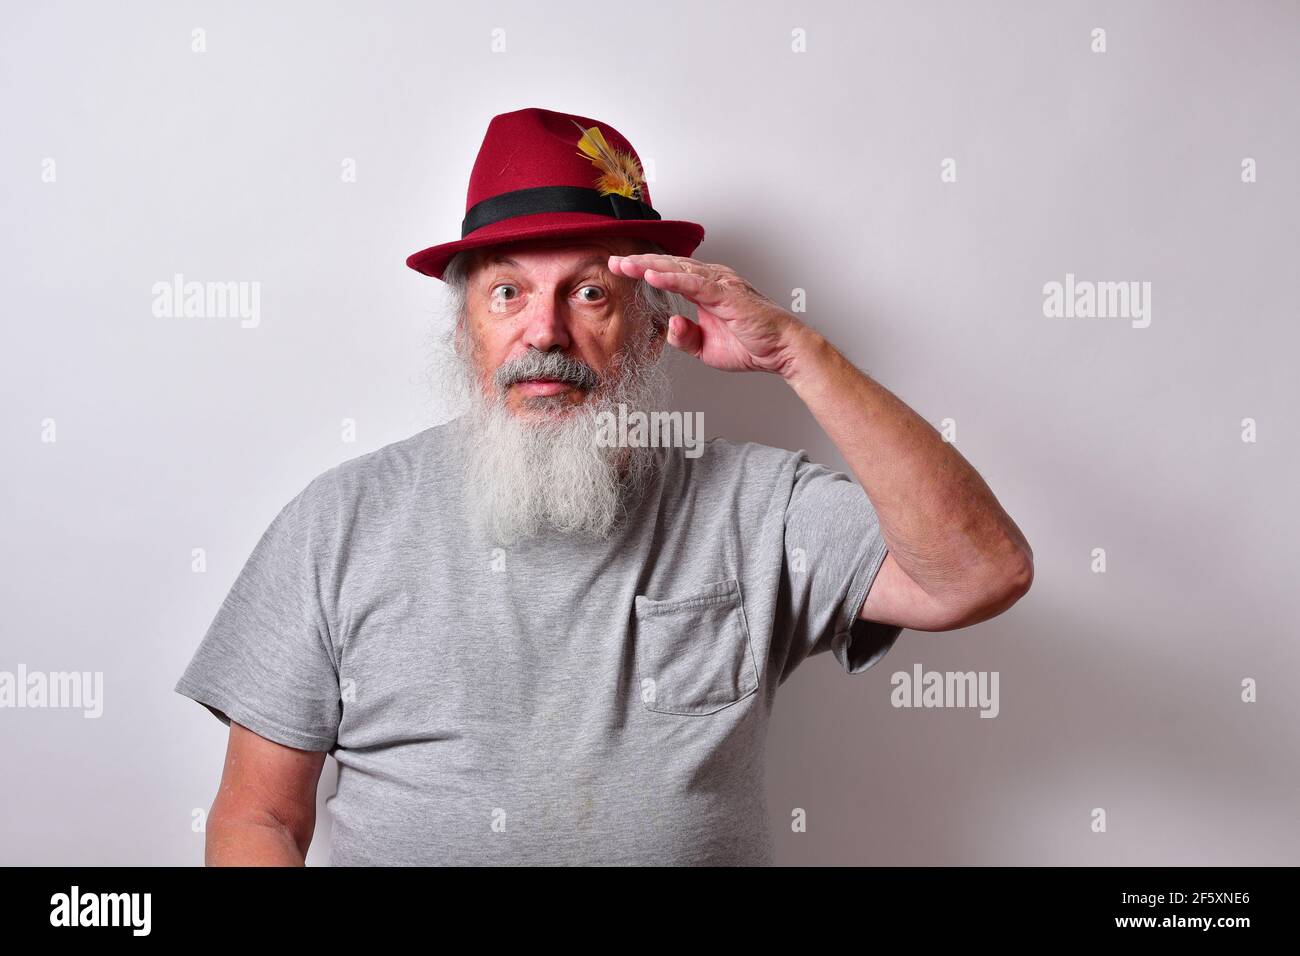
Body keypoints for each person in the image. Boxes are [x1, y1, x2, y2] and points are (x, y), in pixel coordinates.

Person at [175, 107, 1032, 866]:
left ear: (654, 331)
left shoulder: (757, 508)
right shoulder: (338, 523)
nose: (543, 331)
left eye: (589, 292)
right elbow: (258, 817)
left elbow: (979, 573)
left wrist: (801, 358)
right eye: (507, 292)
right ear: (465, 330)